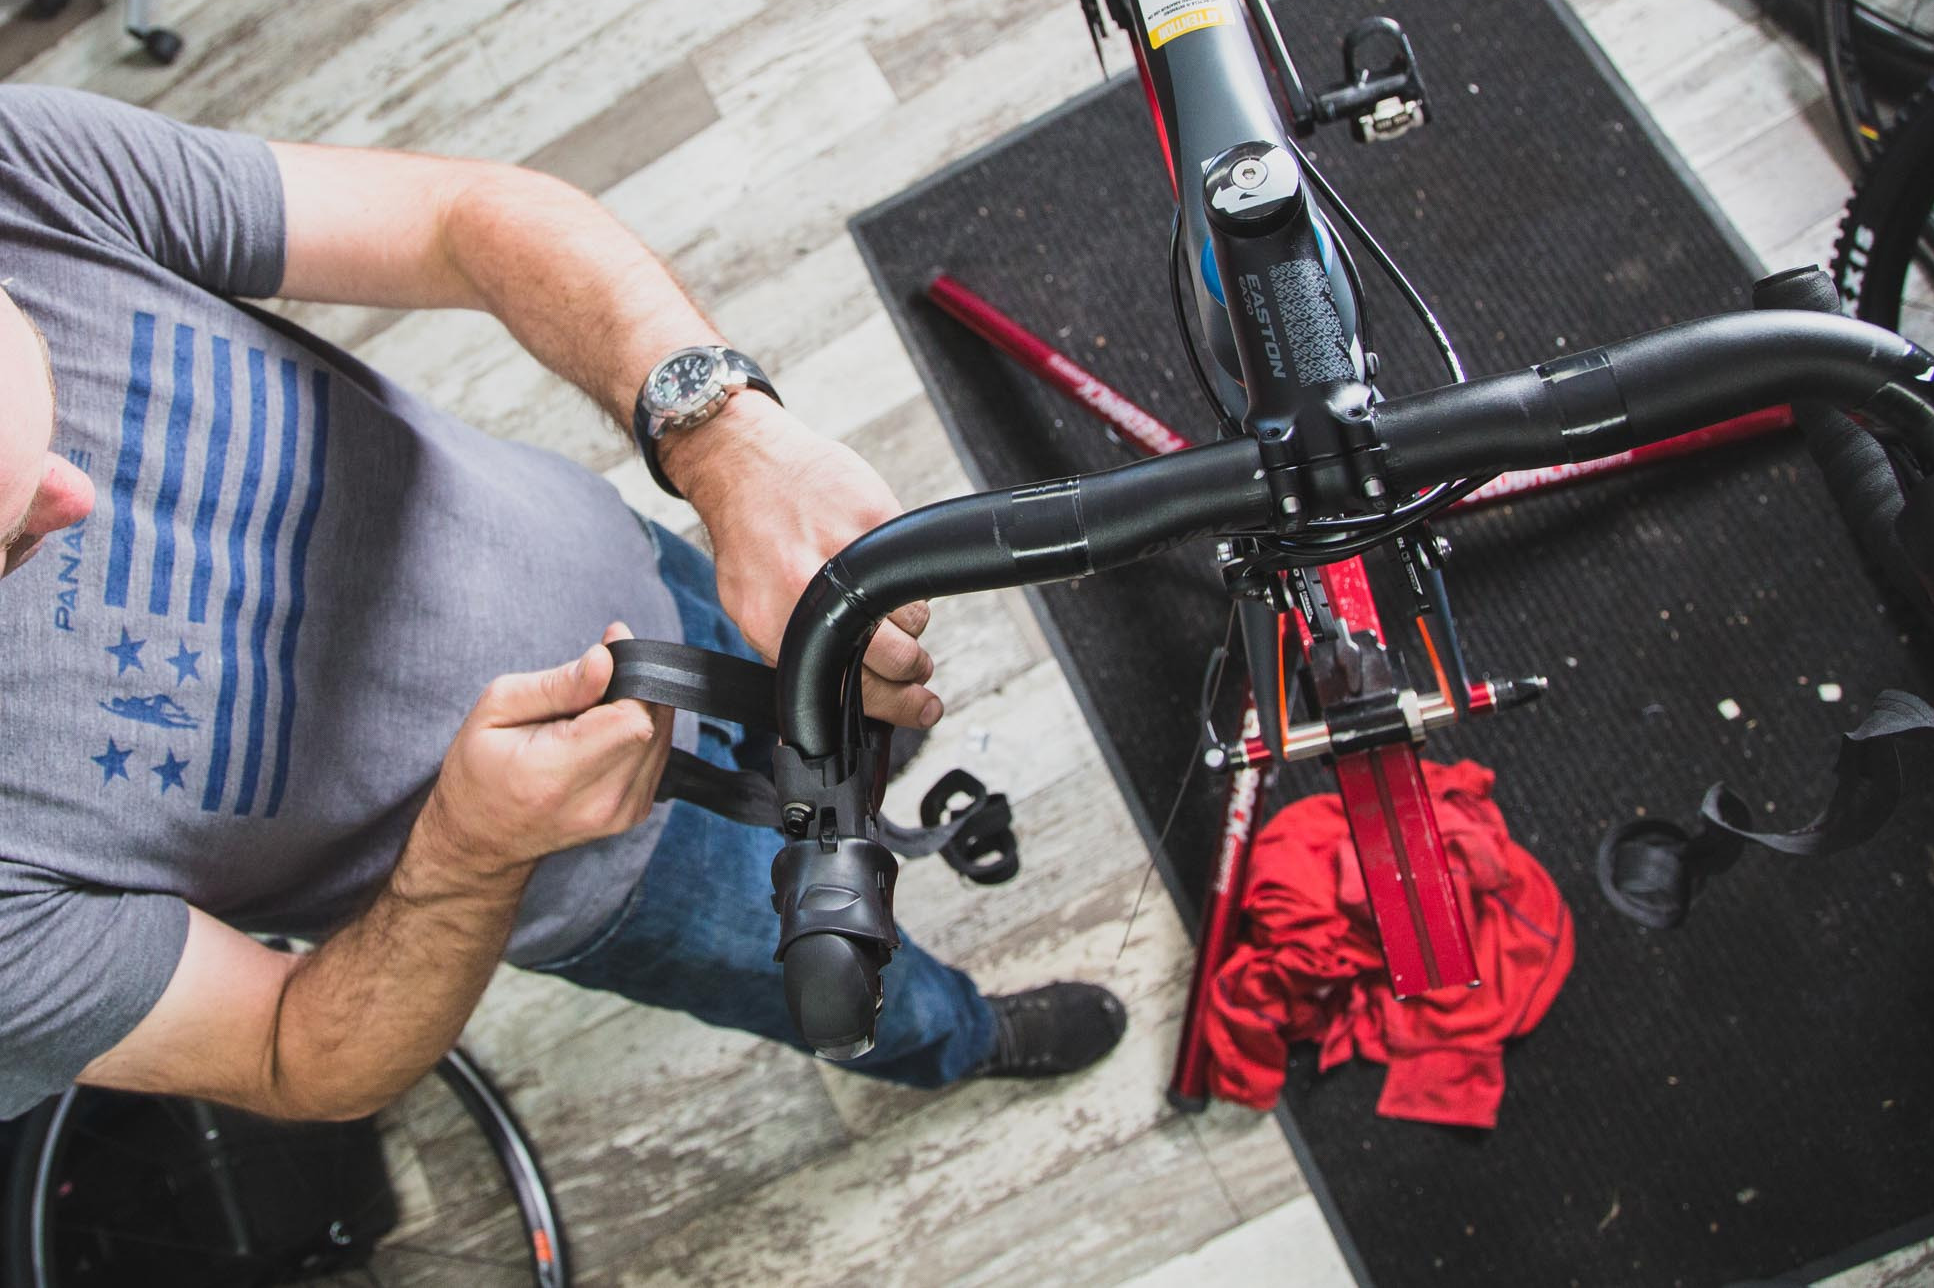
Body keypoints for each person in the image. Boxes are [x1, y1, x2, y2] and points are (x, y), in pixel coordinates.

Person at [0, 84, 1125, 1123]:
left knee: (836, 725)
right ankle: (965, 1038)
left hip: (633, 569)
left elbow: (459, 218)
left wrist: (722, 444)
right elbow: (290, 1057)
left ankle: (844, 765)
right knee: (856, 985)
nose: (79, 495)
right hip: (604, 868)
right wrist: (469, 853)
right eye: (9, 535)